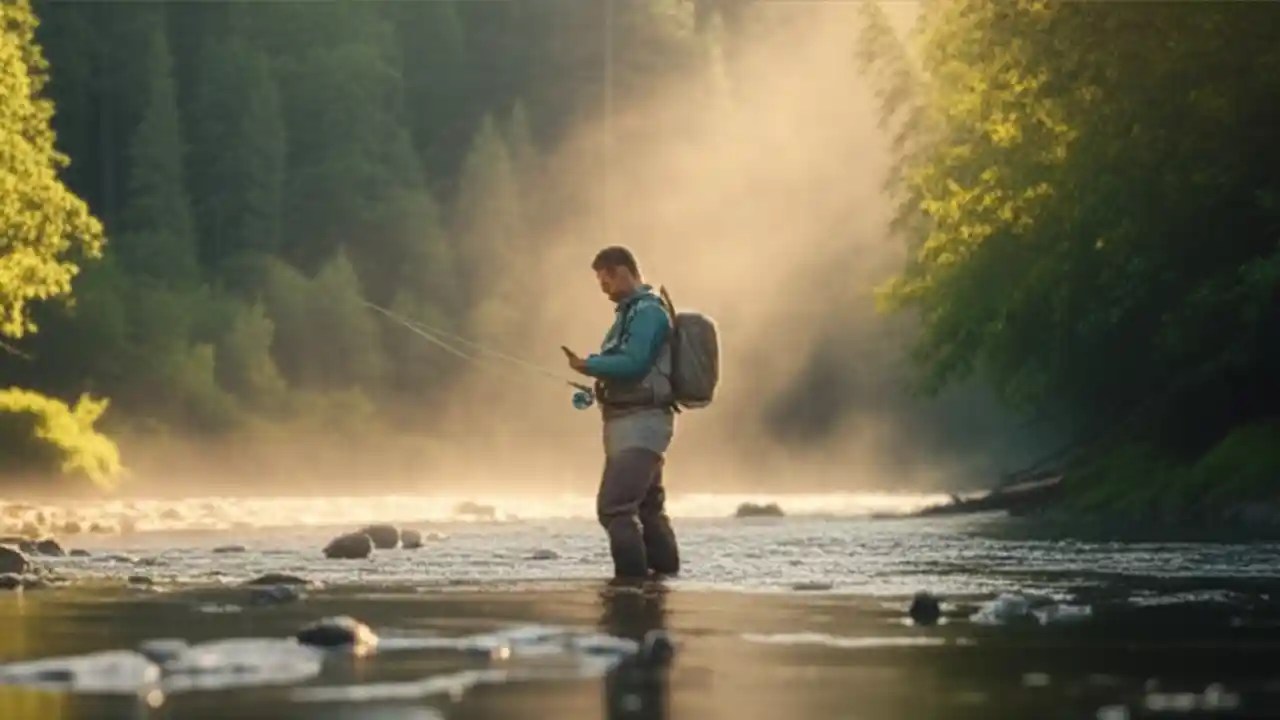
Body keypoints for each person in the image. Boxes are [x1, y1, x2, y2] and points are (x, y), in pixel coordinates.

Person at [563, 246, 681, 580]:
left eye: (606, 279)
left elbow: (634, 363)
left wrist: (589, 365)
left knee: (615, 508)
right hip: (631, 425)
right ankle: (664, 585)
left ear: (624, 271)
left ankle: (629, 590)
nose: (603, 288)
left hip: (641, 426)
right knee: (648, 509)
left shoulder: (647, 313)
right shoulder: (629, 313)